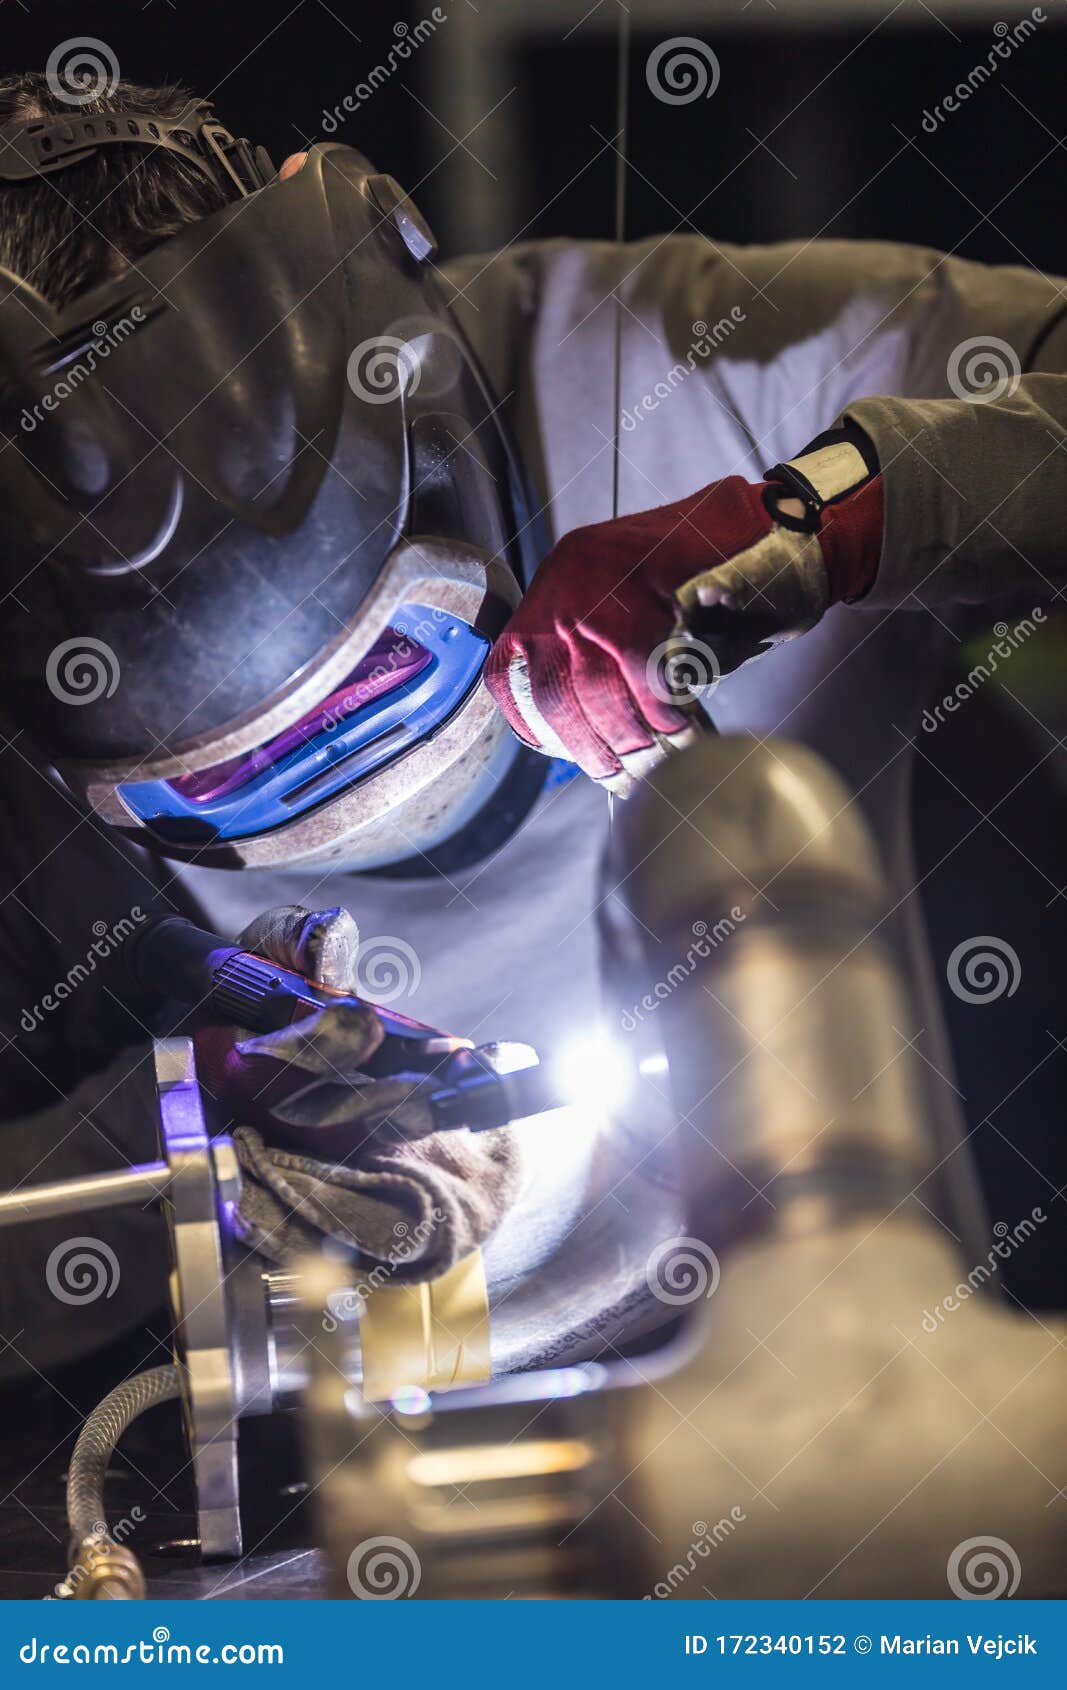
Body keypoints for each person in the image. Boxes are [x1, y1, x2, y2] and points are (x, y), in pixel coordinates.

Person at [0, 73, 1061, 1381]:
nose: (331, 780)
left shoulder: (689, 365)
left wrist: (814, 516)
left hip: (928, 1358)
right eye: (222, 780)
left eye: (378, 669)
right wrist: (147, 1156)